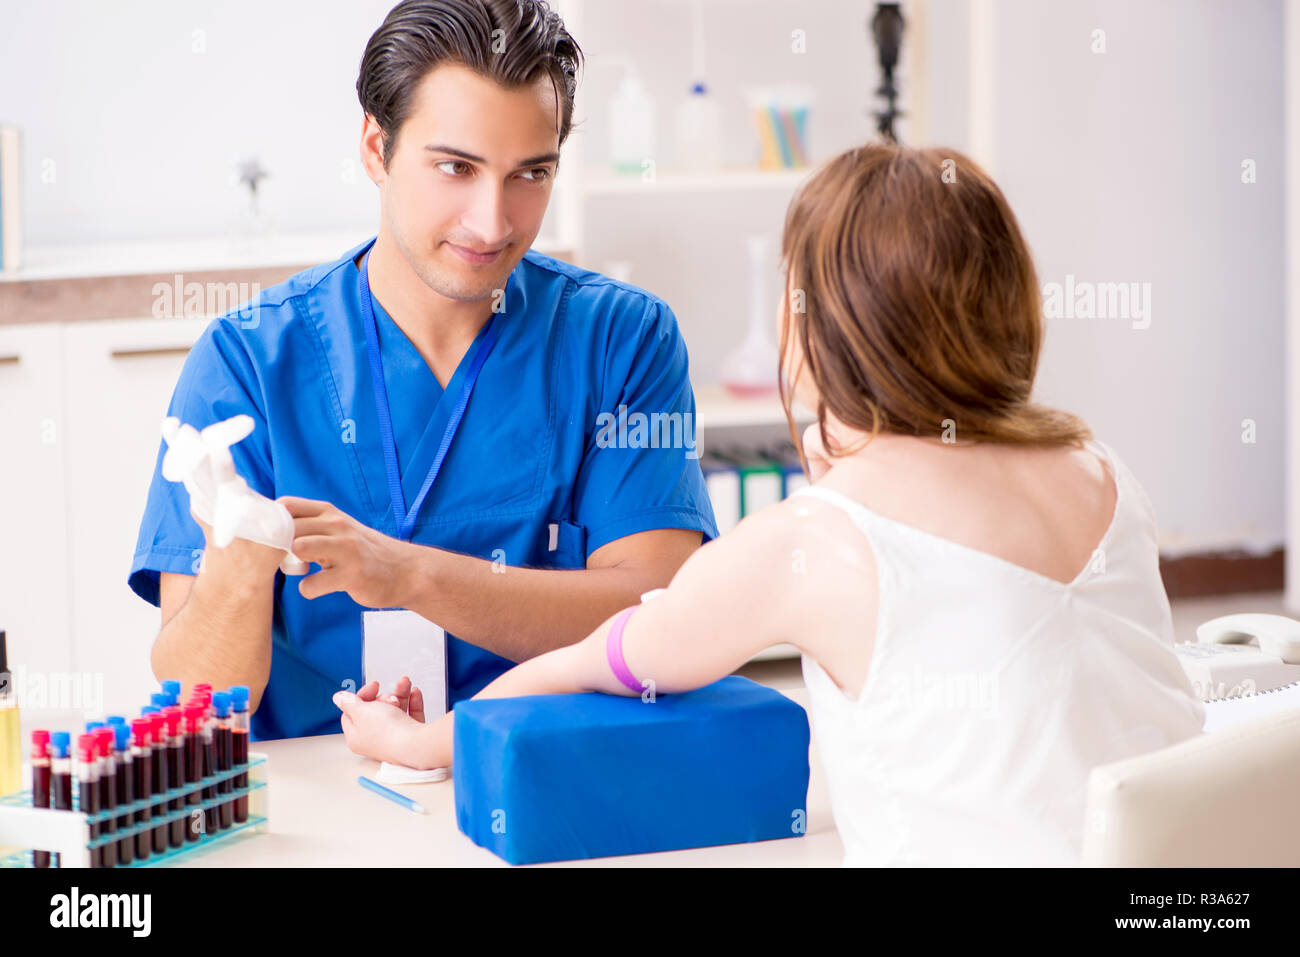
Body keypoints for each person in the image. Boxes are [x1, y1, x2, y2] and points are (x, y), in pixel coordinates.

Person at [333, 142, 1207, 867]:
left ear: (816, 328)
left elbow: (607, 658)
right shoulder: (1098, 467)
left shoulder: (816, 541)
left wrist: (424, 741)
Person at [129, 0, 717, 740]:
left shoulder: (621, 342)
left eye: (530, 174)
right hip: (322, 793)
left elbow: (659, 619)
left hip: (541, 782)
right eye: (456, 168)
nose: (492, 221)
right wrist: (240, 563)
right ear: (376, 149)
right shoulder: (247, 360)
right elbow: (201, 696)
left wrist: (407, 574)